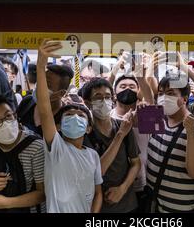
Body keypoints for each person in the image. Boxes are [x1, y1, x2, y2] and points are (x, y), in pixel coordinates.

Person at [36, 40, 103, 213]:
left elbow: (98, 193)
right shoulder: (56, 148)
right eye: (69, 115)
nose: (75, 118)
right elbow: (45, 110)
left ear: (88, 128)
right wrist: (40, 66)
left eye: (81, 116)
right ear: (58, 125)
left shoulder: (93, 156)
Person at [146, 53, 194, 213]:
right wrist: (150, 66)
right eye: (161, 93)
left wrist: (190, 134)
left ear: (185, 99)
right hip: (154, 203)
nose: (163, 98)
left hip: (180, 208)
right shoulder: (157, 117)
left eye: (170, 93)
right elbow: (145, 83)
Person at [0, 94, 45, 213]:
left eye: (8, 116)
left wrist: (6, 203)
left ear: (15, 116)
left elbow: (42, 194)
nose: (5, 123)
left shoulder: (36, 146)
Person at [81, 77, 141, 213]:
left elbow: (136, 163)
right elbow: (97, 171)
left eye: (107, 97)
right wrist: (119, 136)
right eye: (98, 97)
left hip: (127, 204)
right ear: (87, 102)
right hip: (98, 207)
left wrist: (123, 188)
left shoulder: (123, 126)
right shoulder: (85, 133)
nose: (104, 101)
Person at [110, 74, 155, 212]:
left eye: (132, 87)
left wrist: (141, 77)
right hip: (115, 186)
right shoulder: (108, 118)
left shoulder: (144, 116)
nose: (127, 89)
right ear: (115, 95)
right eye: (122, 87)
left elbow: (150, 101)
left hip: (142, 184)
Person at [16, 64, 74, 136]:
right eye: (40, 82)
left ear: (61, 93)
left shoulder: (66, 118)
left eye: (47, 85)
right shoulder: (27, 102)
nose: (40, 87)